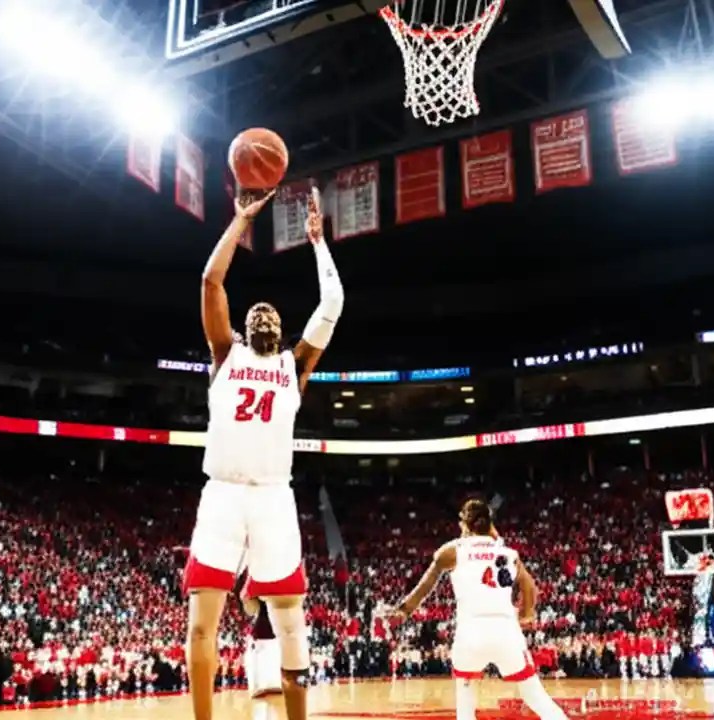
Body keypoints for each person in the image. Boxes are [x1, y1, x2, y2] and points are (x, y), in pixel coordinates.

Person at [184, 185, 343, 720]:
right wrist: (239, 224)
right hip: (224, 492)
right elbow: (211, 280)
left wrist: (318, 243)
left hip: (275, 496)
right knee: (202, 622)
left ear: (279, 329)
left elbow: (333, 304)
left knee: (291, 622)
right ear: (245, 328)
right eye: (256, 312)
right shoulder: (224, 352)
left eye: (272, 313)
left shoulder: (294, 366)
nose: (264, 315)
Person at [379, 499, 568, 720]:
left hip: (470, 634)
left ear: (464, 524)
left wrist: (404, 610)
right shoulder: (509, 554)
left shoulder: (451, 552)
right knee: (535, 696)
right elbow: (529, 587)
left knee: (465, 701)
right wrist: (527, 614)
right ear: (490, 523)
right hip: (505, 632)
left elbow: (426, 586)